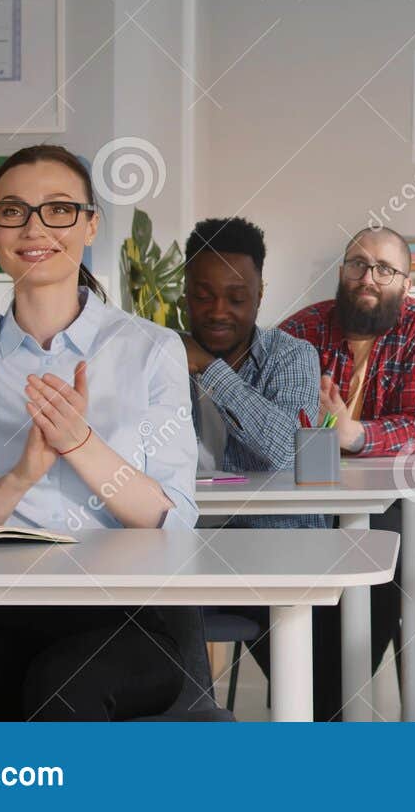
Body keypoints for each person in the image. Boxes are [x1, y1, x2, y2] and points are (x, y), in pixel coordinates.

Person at [0, 144, 199, 721]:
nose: (35, 227)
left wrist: (80, 446)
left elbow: (174, 519)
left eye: (59, 210)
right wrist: (22, 475)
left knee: (63, 688)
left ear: (90, 225)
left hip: (124, 621)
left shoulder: (150, 350)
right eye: (14, 211)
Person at [279, 225, 415, 720]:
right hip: (303, 498)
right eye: (357, 264)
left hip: (385, 504)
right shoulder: (299, 331)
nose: (368, 277)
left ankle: (325, 710)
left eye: (384, 269)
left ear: (406, 283)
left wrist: (353, 435)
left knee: (377, 569)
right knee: (261, 567)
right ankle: (314, 702)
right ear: (341, 272)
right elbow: (271, 422)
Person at [181, 217, 326, 689]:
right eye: (203, 295)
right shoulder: (154, 353)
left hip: (276, 552)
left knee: (313, 686)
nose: (218, 311)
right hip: (183, 553)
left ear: (260, 294)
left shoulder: (292, 356)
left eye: (237, 297)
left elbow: (286, 449)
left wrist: (208, 368)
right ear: (184, 290)